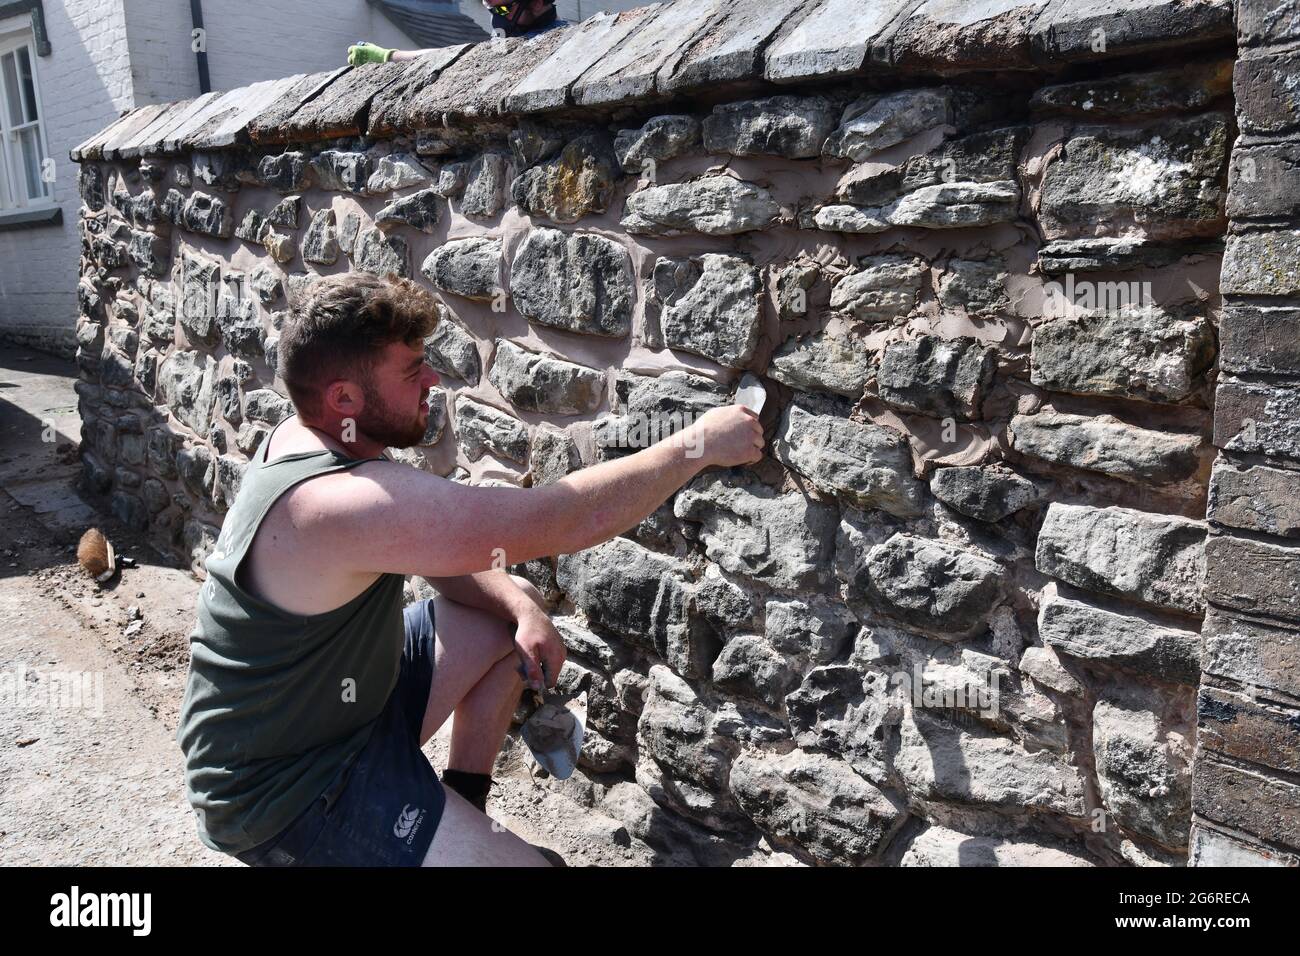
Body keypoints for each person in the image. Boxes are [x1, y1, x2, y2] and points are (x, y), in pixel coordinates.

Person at [175, 272, 765, 866]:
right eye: (412, 372)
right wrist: (699, 444)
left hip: (340, 713)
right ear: (344, 399)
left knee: (507, 612)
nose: (433, 379)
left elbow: (444, 549)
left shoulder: (311, 437)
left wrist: (521, 607)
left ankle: (458, 808)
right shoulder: (336, 503)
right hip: (284, 790)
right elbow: (562, 518)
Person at [347, 1, 565, 65]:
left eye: (503, 10)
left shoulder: (561, 43)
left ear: (536, 4)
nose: (495, 19)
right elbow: (453, 57)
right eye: (489, 8)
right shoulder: (512, 41)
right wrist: (386, 56)